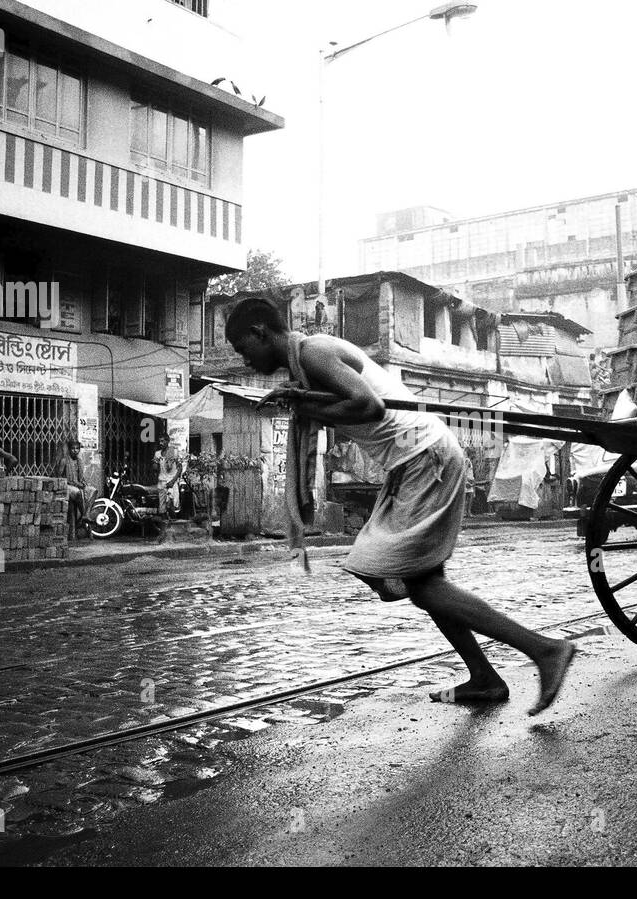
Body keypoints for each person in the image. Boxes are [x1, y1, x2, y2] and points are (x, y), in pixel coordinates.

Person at [225, 297, 575, 715]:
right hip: (415, 459)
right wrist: (302, 398)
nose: (245, 361)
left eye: (243, 349)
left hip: (423, 457)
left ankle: (545, 650)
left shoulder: (314, 352)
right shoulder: (307, 359)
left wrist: (303, 402)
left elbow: (367, 405)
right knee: (425, 584)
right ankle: (484, 676)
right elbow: (352, 406)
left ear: (260, 331)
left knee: (414, 581)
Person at [53, 439, 95, 538]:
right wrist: (74, 483)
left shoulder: (80, 461)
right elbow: (59, 477)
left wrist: (83, 483)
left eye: (77, 448)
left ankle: (85, 514)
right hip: (68, 486)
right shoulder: (64, 460)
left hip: (78, 485)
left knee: (93, 491)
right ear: (69, 449)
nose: (75, 451)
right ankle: (85, 515)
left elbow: (81, 477)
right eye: (73, 448)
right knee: (78, 493)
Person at [153, 433, 182, 514]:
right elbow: (155, 469)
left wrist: (173, 481)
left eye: (162, 441)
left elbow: (180, 468)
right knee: (162, 508)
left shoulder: (174, 452)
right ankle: (164, 524)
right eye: (159, 441)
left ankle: (173, 524)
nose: (160, 443)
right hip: (161, 482)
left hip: (171, 483)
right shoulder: (157, 453)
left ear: (168, 441)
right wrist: (155, 462)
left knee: (172, 506)